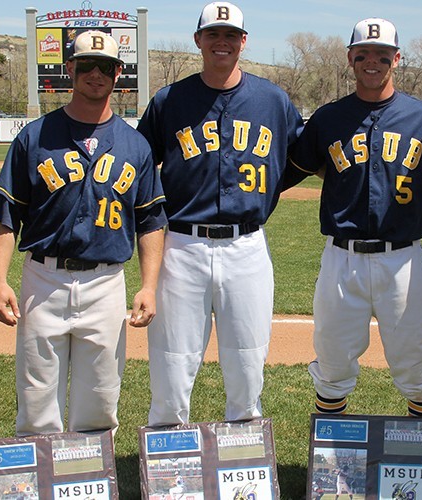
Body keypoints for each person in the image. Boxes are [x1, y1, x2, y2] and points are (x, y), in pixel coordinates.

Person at [0, 30, 166, 436]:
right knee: (36, 403)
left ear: (118, 73)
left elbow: (151, 221)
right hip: (43, 280)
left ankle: (91, 473)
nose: (95, 74)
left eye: (105, 66)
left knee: (100, 402)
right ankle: (41, 473)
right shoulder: (34, 137)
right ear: (69, 68)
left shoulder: (135, 145)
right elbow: (6, 215)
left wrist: (149, 285)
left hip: (106, 282)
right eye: (86, 65)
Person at [136, 2, 303, 426]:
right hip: (181, 246)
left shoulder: (272, 100)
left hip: (247, 245)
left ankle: (242, 457)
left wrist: (265, 190)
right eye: (213, 34)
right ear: (198, 40)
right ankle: (169, 457)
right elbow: (140, 166)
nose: (221, 42)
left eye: (230, 35)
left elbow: (299, 158)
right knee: (172, 362)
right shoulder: (169, 100)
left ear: (243, 42)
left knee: (248, 363)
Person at [285, 18, 422, 418]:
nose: (372, 62)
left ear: (397, 58)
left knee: (416, 361)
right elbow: (303, 165)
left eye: (382, 55)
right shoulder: (329, 118)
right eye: (363, 55)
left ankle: (418, 450)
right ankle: (333, 452)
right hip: (342, 258)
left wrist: (417, 213)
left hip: (403, 258)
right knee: (332, 359)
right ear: (350, 59)